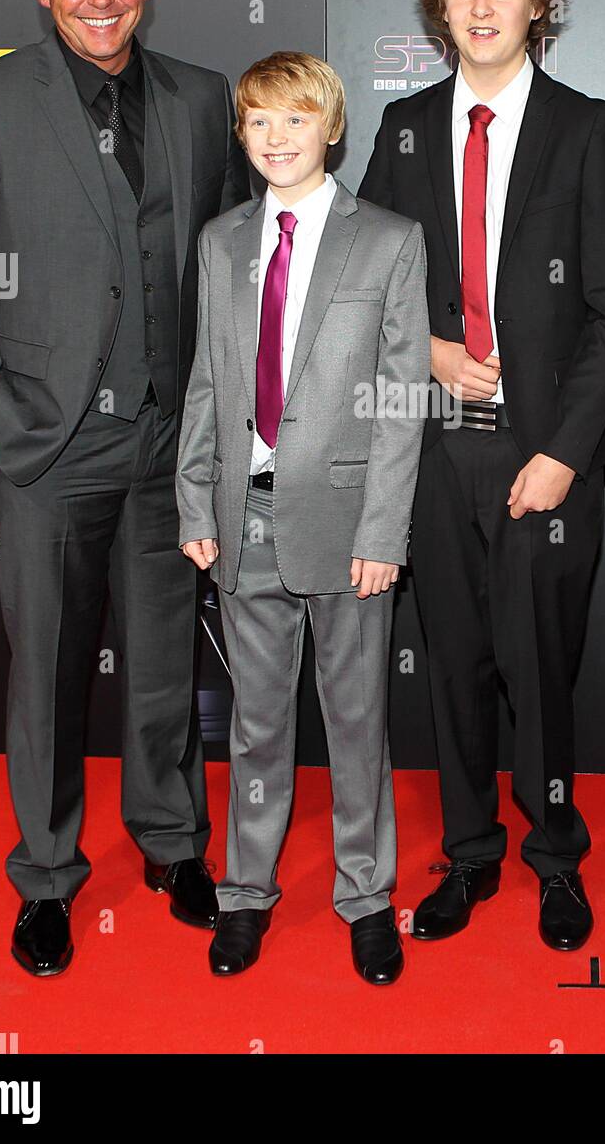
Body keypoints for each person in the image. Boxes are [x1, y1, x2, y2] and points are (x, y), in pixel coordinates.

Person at [0, 0, 250, 976]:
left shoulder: (205, 101)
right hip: (45, 450)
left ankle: (170, 844)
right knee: (48, 676)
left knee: (162, 666)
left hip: (170, 445)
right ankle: (49, 875)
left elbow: (241, 265)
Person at [359, 0, 605, 951]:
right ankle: (467, 855)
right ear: (441, 9)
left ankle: (553, 856)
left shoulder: (585, 127)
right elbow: (371, 288)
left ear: (536, 4)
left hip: (540, 455)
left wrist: (562, 451)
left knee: (538, 667)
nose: (480, 8)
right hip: (434, 447)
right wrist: (428, 348)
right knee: (454, 663)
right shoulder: (403, 127)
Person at [177, 52, 430, 984]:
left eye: (294, 120)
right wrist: (195, 497)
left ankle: (366, 897)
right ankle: (246, 893)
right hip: (245, 519)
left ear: (331, 127)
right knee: (255, 725)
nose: (275, 139)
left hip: (348, 519)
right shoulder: (221, 241)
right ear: (241, 136)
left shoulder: (389, 240)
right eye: (257, 123)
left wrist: (383, 532)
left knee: (357, 720)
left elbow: (404, 401)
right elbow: (208, 380)